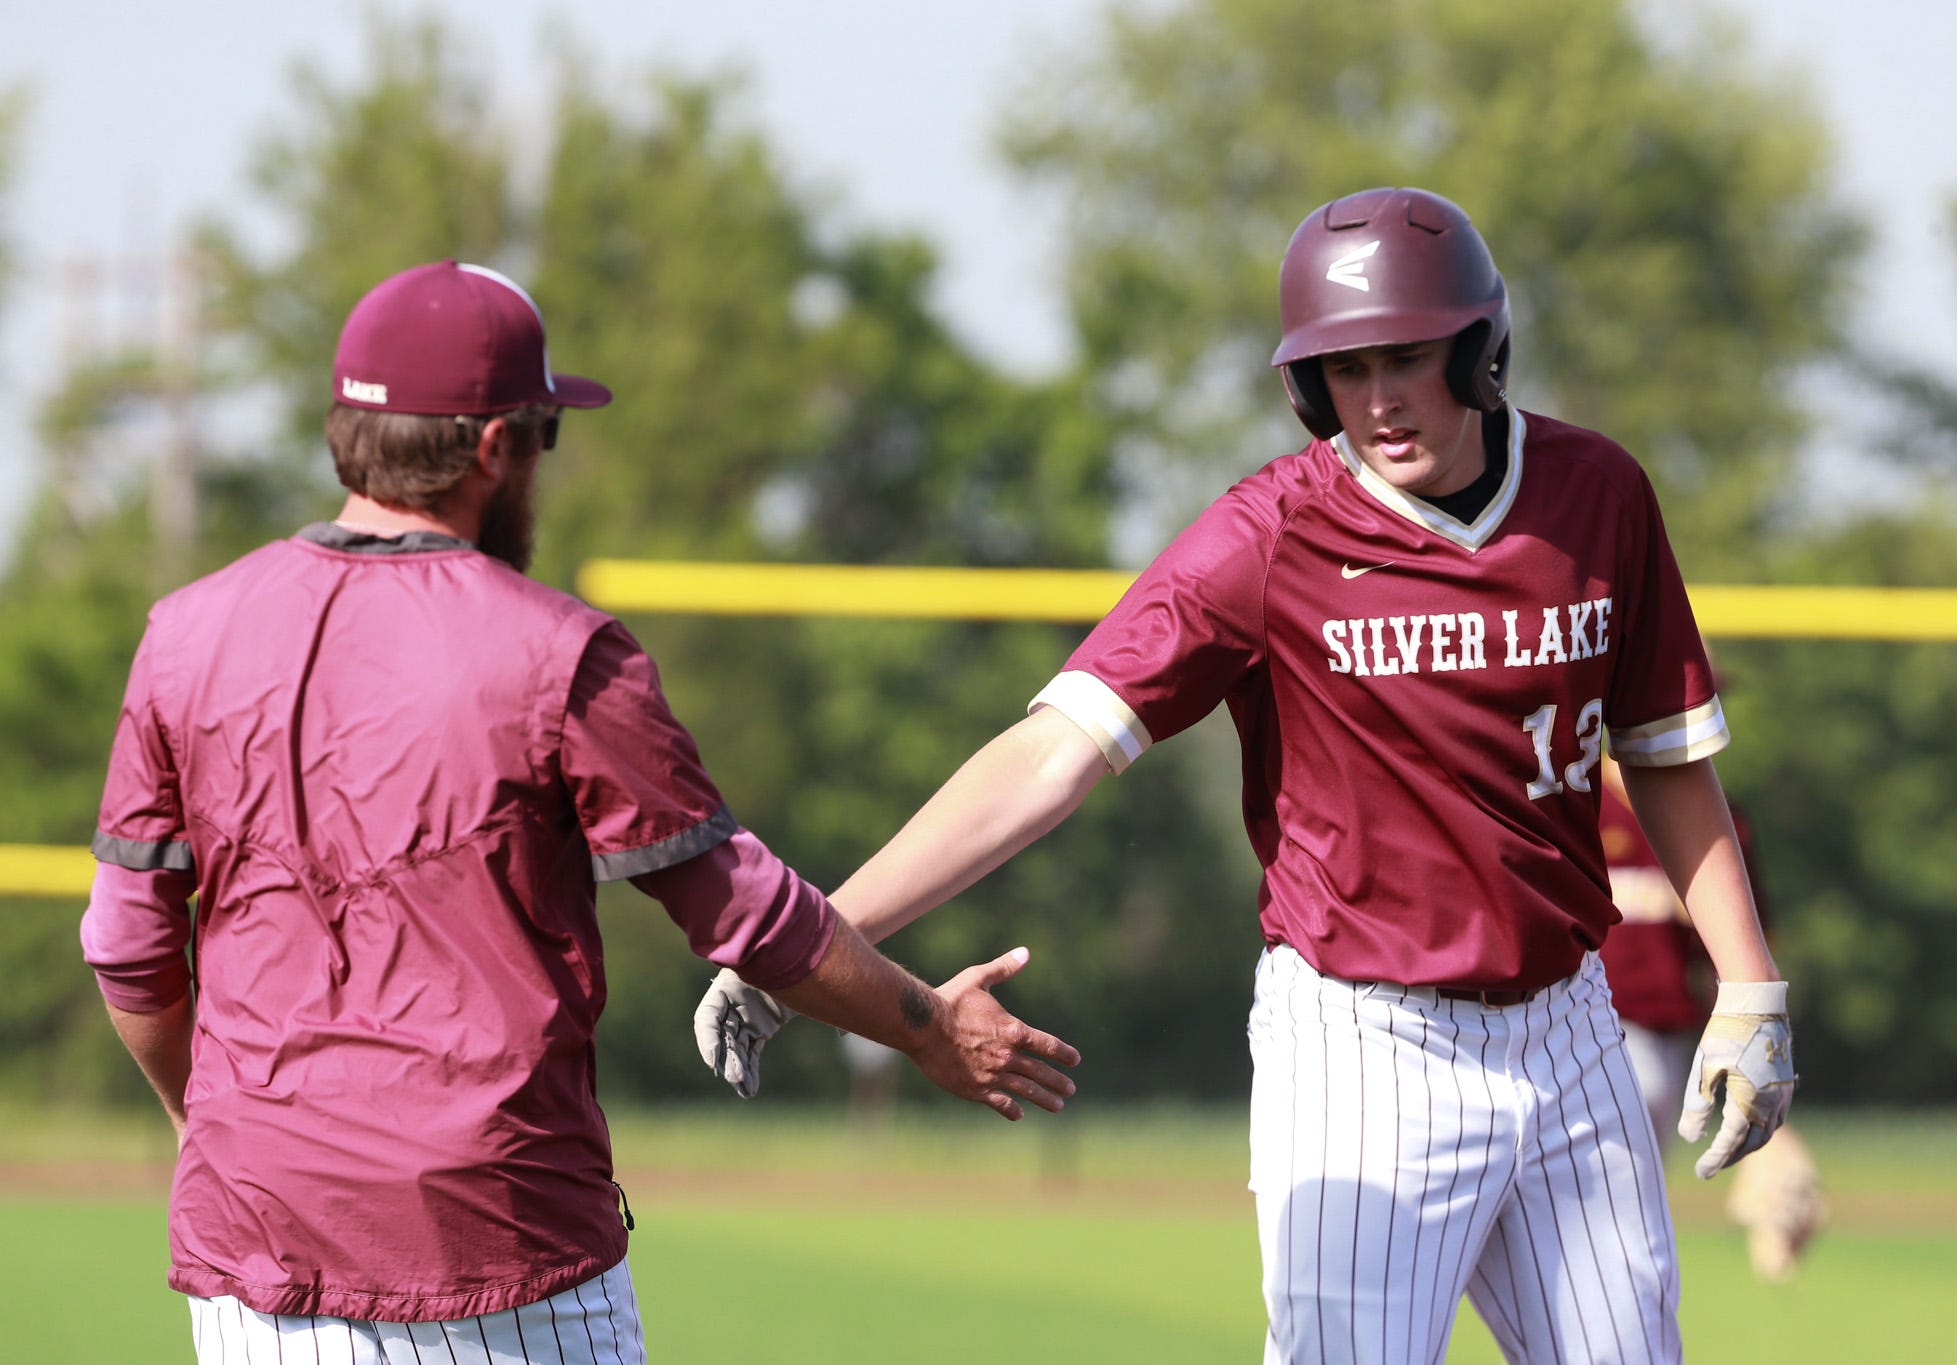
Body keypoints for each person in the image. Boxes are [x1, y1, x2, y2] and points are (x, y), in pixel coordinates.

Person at [696, 188, 1797, 1364]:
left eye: (1407, 358)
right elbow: (1050, 756)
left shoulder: (1598, 496)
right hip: (1369, 1049)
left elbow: (1667, 759)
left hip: (1571, 1026)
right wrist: (813, 932)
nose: (1375, 398)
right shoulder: (1269, 535)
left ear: (1479, 351)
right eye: (1341, 367)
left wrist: (1748, 985)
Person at [80, 259, 1079, 1365]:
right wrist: (927, 1029)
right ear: (498, 447)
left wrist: (215, 1131)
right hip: (494, 1244)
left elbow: (129, 948)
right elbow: (746, 918)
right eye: (544, 436)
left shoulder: (185, 633)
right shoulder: (559, 655)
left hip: (254, 1254)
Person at [1599, 757, 1826, 1282]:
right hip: (1585, 1028)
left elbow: (1749, 952)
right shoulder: (1574, 796)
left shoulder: (1719, 820)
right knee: (1617, 1216)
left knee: (1623, 1213)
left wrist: (1758, 1056)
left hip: (1673, 1038)